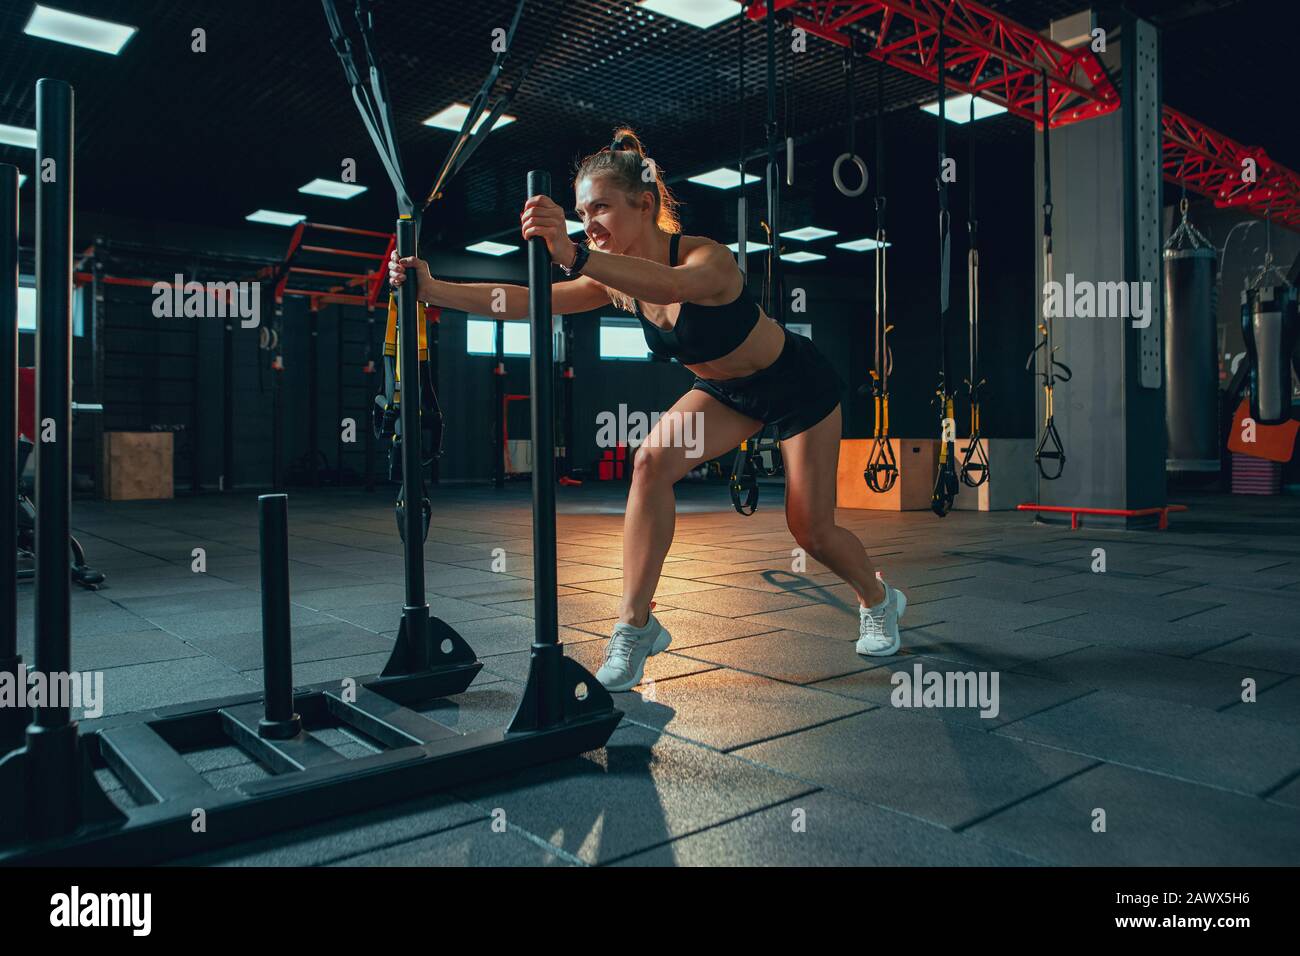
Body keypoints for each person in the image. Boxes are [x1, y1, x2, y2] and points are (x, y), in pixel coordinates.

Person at [389, 127, 905, 692]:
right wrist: (433, 290)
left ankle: (878, 599)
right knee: (650, 463)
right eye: (584, 212)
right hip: (727, 395)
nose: (591, 222)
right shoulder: (613, 281)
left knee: (812, 532)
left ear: (646, 204)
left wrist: (576, 253)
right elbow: (532, 300)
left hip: (797, 388)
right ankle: (636, 626)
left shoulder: (708, 259)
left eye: (603, 207)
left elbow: (668, 282)